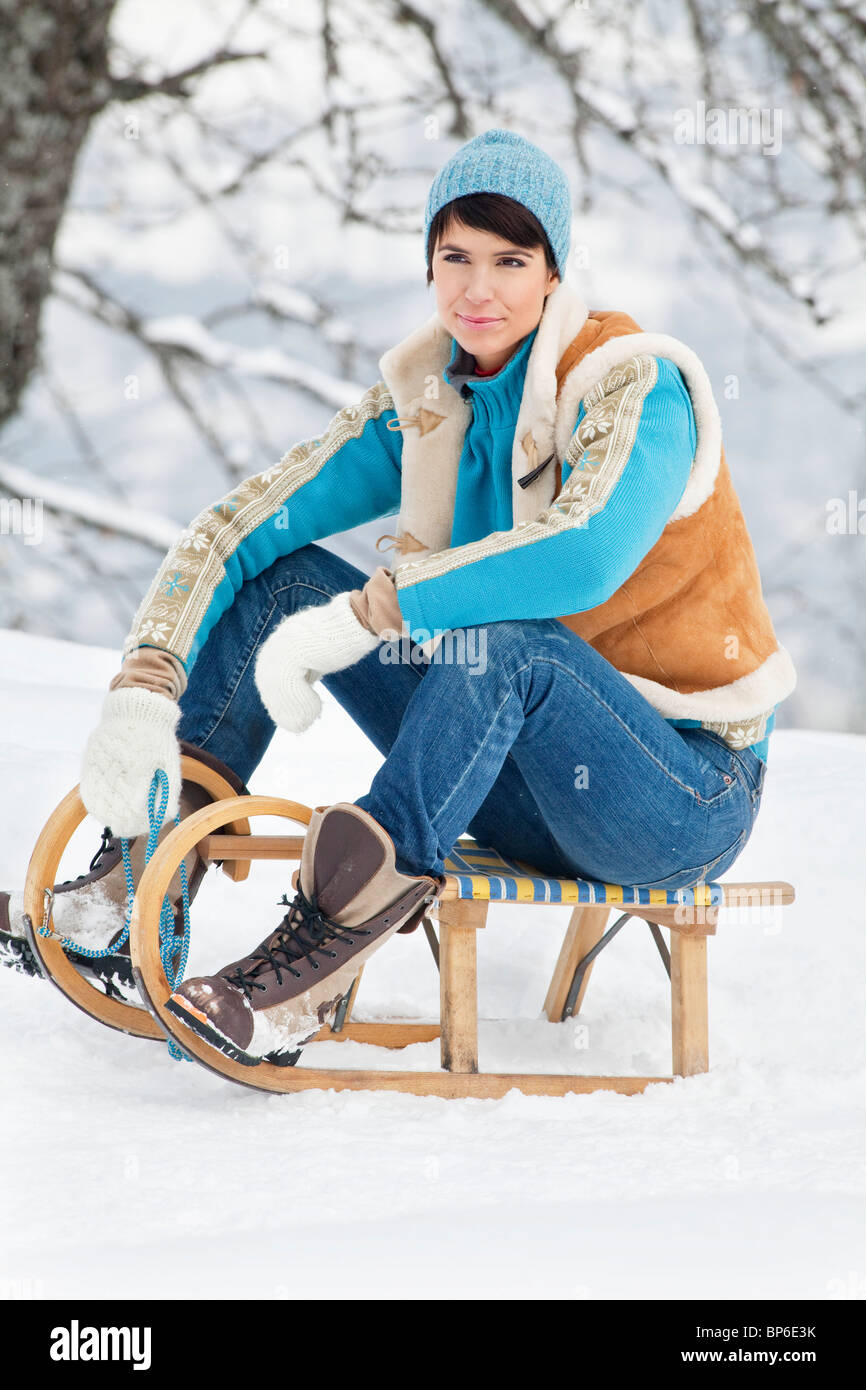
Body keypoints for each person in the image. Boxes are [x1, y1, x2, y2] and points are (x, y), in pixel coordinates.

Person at [1, 128, 797, 1066]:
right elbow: (240, 523)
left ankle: (321, 956)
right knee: (286, 577)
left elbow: (585, 555)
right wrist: (147, 677)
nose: (478, 288)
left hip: (673, 798)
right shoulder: (428, 402)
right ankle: (146, 870)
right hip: (506, 779)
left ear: (553, 272)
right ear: (428, 265)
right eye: (454, 257)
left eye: (510, 259)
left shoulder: (633, 386)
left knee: (510, 644)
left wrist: (376, 610)